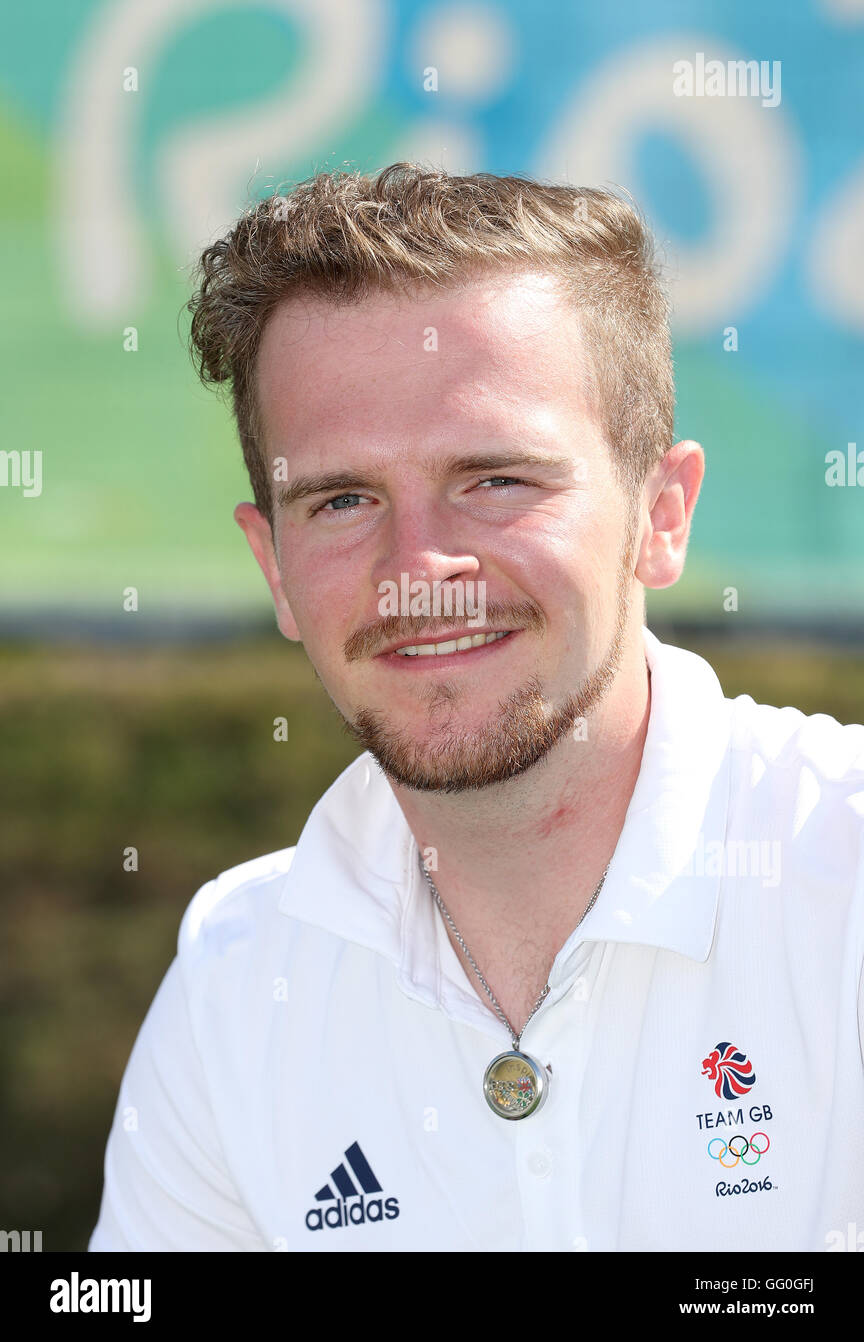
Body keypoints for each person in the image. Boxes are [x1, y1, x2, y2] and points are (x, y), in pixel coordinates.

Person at [89, 164, 864, 1252]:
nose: (420, 568)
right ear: (272, 565)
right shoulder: (236, 986)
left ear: (662, 512)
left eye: (496, 478)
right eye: (343, 500)